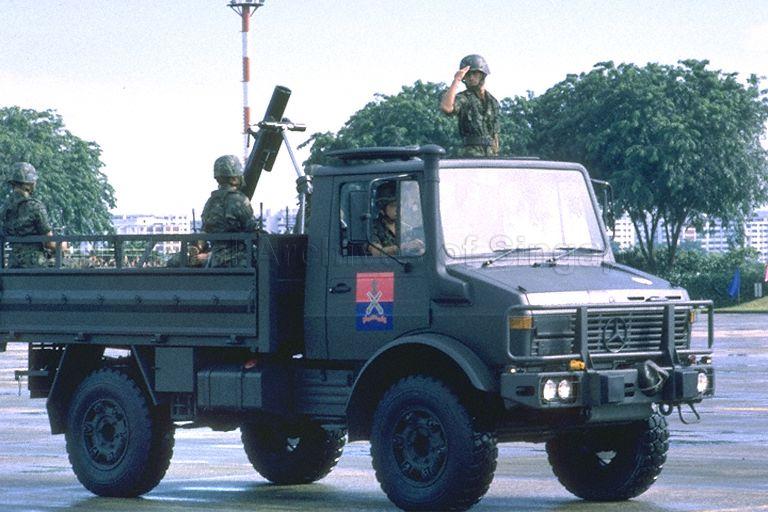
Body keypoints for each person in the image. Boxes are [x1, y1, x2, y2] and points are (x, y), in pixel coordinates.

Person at [201, 155, 259, 267]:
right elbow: (252, 229)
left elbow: (206, 229)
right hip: (238, 261)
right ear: (234, 178)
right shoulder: (238, 200)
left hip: (215, 262)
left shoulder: (210, 202)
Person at [440, 54, 501, 157]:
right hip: (470, 155)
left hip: (491, 155)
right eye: (467, 75)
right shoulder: (463, 98)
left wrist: (496, 154)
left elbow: (495, 134)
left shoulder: (493, 101)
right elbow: (446, 108)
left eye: (474, 73)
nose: (471, 78)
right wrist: (457, 80)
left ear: (482, 74)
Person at [0, 162, 58, 268]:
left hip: (13, 265)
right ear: (28, 184)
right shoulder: (35, 206)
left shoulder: (4, 208)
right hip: (36, 266)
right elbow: (49, 242)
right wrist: (62, 246)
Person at [368, 184, 424, 257]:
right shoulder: (372, 228)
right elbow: (376, 253)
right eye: (394, 205)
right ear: (382, 208)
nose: (398, 209)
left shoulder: (407, 228)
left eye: (400, 205)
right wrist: (404, 247)